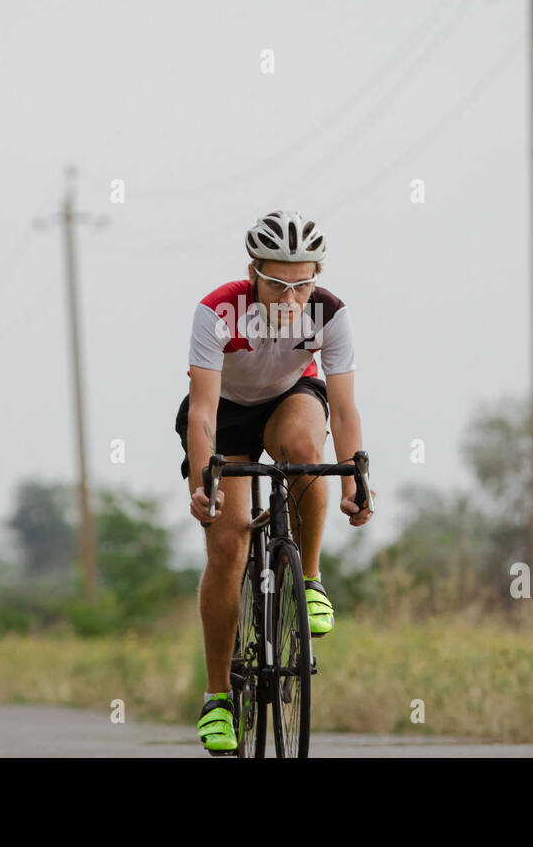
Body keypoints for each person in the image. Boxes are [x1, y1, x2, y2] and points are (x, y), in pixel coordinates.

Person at [174, 209, 375, 753]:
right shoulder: (218, 310)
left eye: (303, 283)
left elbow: (345, 404)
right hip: (227, 415)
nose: (290, 299)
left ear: (317, 276)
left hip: (292, 399)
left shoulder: (330, 313)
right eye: (276, 283)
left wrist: (356, 476)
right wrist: (204, 483)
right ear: (253, 271)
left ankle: (308, 579)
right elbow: (202, 413)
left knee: (309, 451)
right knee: (228, 540)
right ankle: (218, 697)